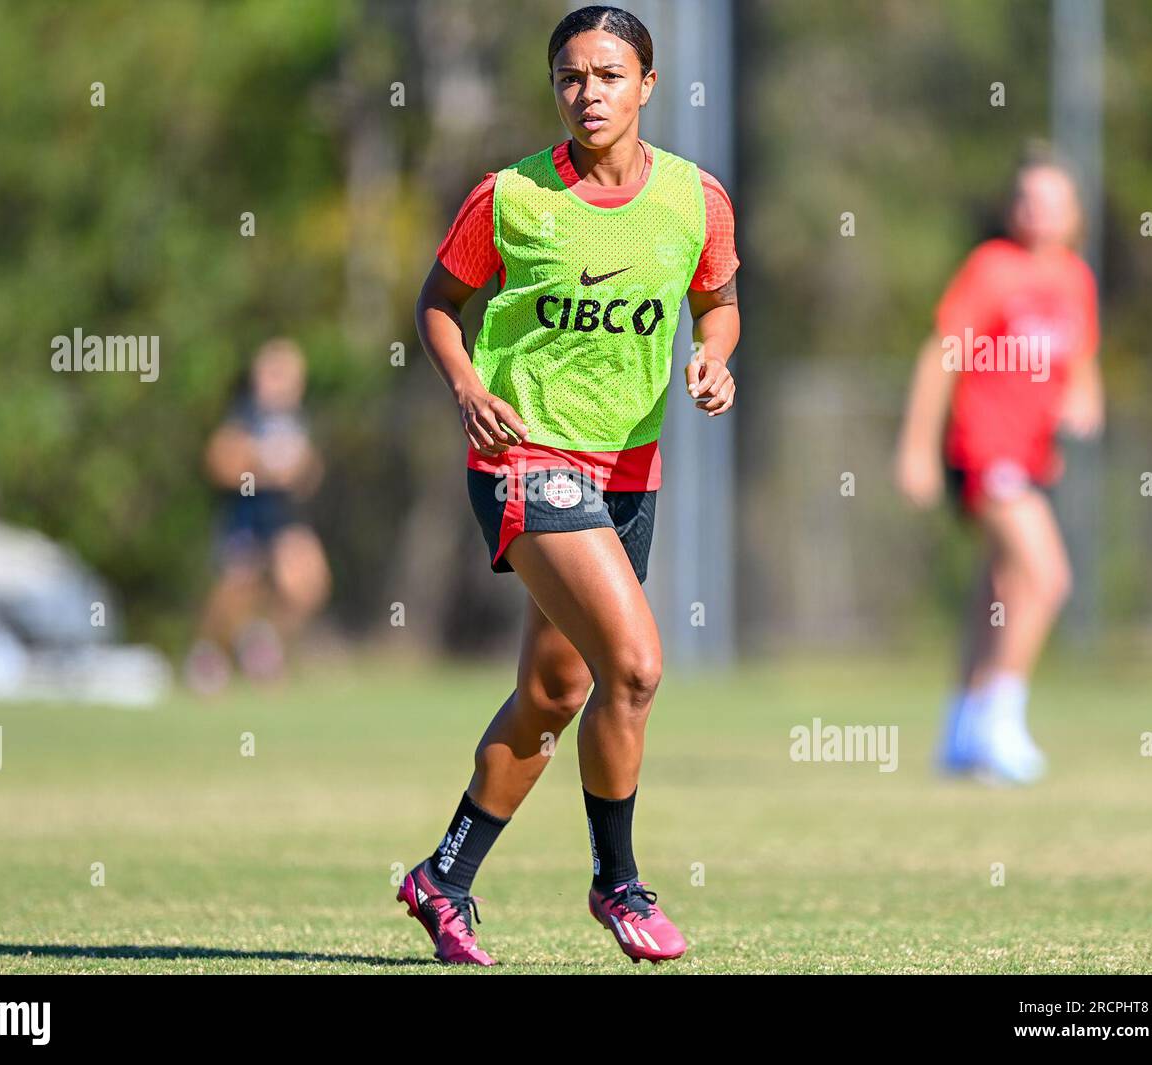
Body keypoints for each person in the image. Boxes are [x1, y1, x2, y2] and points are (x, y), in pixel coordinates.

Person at [406, 5, 741, 965]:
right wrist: (469, 384)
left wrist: (716, 360)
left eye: (606, 74)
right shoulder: (510, 196)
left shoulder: (695, 199)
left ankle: (444, 876)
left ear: (646, 86)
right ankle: (618, 882)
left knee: (557, 691)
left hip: (629, 471)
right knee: (635, 665)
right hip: (524, 458)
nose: (586, 93)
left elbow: (717, 304)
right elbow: (438, 303)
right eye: (569, 76)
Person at [895, 144, 1103, 785]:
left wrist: (1083, 399)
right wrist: (916, 448)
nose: (1036, 212)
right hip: (984, 450)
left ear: (1074, 213)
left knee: (1001, 586)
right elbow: (941, 356)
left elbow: (1081, 363)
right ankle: (1000, 721)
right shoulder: (993, 269)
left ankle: (961, 729)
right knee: (1045, 577)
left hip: (1031, 456)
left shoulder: (1074, 279)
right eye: (1026, 199)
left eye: (1052, 201)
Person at [185, 339, 332, 693]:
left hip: (283, 517)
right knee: (236, 588)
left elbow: (310, 471)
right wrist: (259, 466)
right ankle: (209, 654)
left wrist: (301, 471)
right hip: (246, 515)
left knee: (308, 582)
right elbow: (218, 463)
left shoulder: (297, 420)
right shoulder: (244, 415)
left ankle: (264, 641)